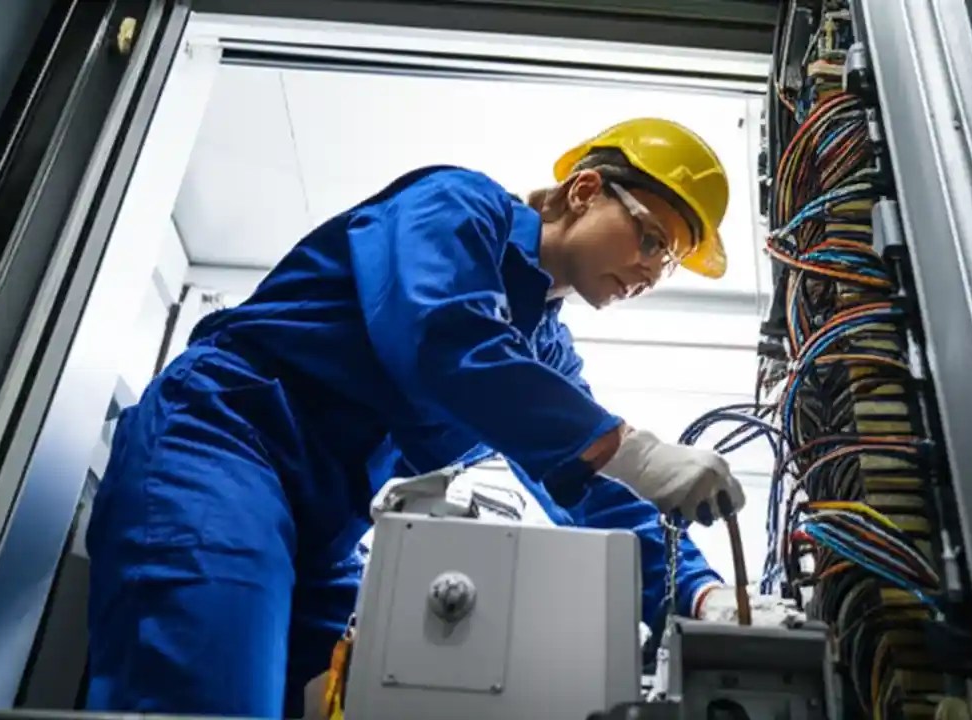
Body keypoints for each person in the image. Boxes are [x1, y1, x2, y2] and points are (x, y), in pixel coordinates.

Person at [85, 118, 746, 718]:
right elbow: (439, 336)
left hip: (324, 532)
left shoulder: (543, 346)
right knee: (206, 694)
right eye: (652, 238)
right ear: (585, 190)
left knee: (382, 692)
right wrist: (637, 451)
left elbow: (598, 489)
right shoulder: (459, 205)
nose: (651, 271)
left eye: (669, 261)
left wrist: (702, 593)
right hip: (221, 445)